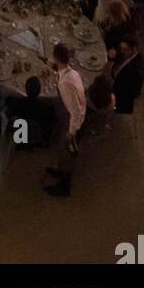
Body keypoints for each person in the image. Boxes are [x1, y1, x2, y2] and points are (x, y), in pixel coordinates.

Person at [44, 42, 86, 198]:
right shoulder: (72, 73)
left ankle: (64, 187)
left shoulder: (64, 83)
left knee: (65, 153)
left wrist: (72, 131)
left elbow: (74, 110)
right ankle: (61, 172)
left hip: (70, 121)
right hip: (70, 118)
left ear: (56, 58)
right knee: (63, 151)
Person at [5, 77, 55, 149]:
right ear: (39, 91)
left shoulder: (17, 103)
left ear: (25, 89)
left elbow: (8, 113)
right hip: (36, 136)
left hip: (20, 133)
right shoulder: (45, 108)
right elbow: (49, 123)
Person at [110, 36, 144, 115]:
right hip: (116, 82)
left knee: (111, 110)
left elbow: (132, 91)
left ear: (134, 49)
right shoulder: (128, 54)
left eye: (125, 49)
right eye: (121, 48)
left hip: (120, 94)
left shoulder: (138, 70)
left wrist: (114, 94)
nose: (121, 51)